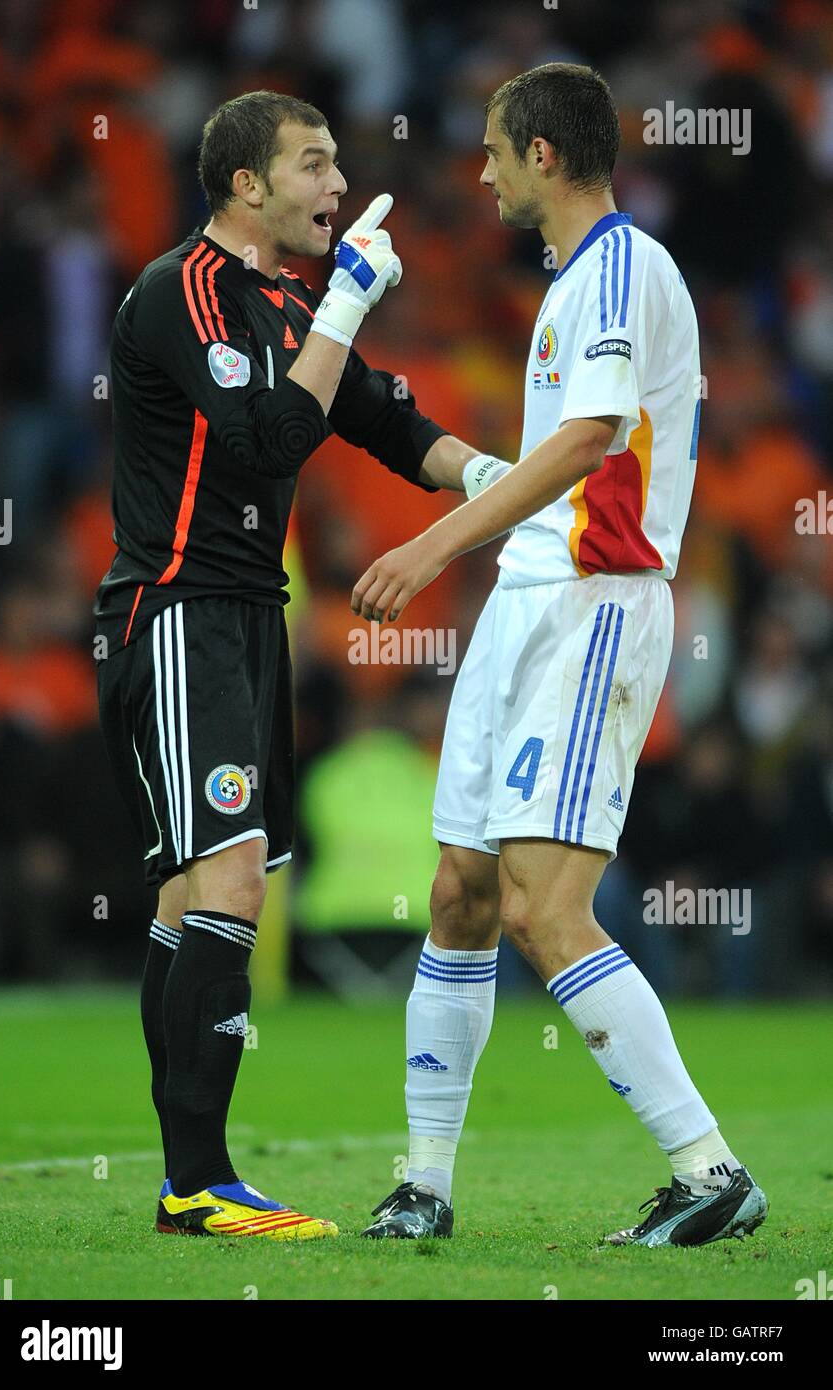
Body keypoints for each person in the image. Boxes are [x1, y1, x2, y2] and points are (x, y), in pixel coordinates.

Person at [354, 63, 768, 1248]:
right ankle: (424, 1185)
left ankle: (709, 1168)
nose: (478, 171)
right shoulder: (576, 283)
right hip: (527, 600)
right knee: (460, 893)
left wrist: (434, 542)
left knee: (544, 907)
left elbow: (590, 440)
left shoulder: (626, 269)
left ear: (542, 154)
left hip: (592, 608)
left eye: (492, 148)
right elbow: (559, 453)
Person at [95, 90, 478, 1240]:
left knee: (190, 890)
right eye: (313, 165)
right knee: (231, 879)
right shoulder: (186, 291)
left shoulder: (282, 300)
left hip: (248, 619)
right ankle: (199, 1180)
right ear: (244, 185)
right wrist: (349, 305)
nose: (337, 186)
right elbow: (270, 438)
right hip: (179, 611)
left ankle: (186, 1175)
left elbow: (380, 418)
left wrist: (501, 480)